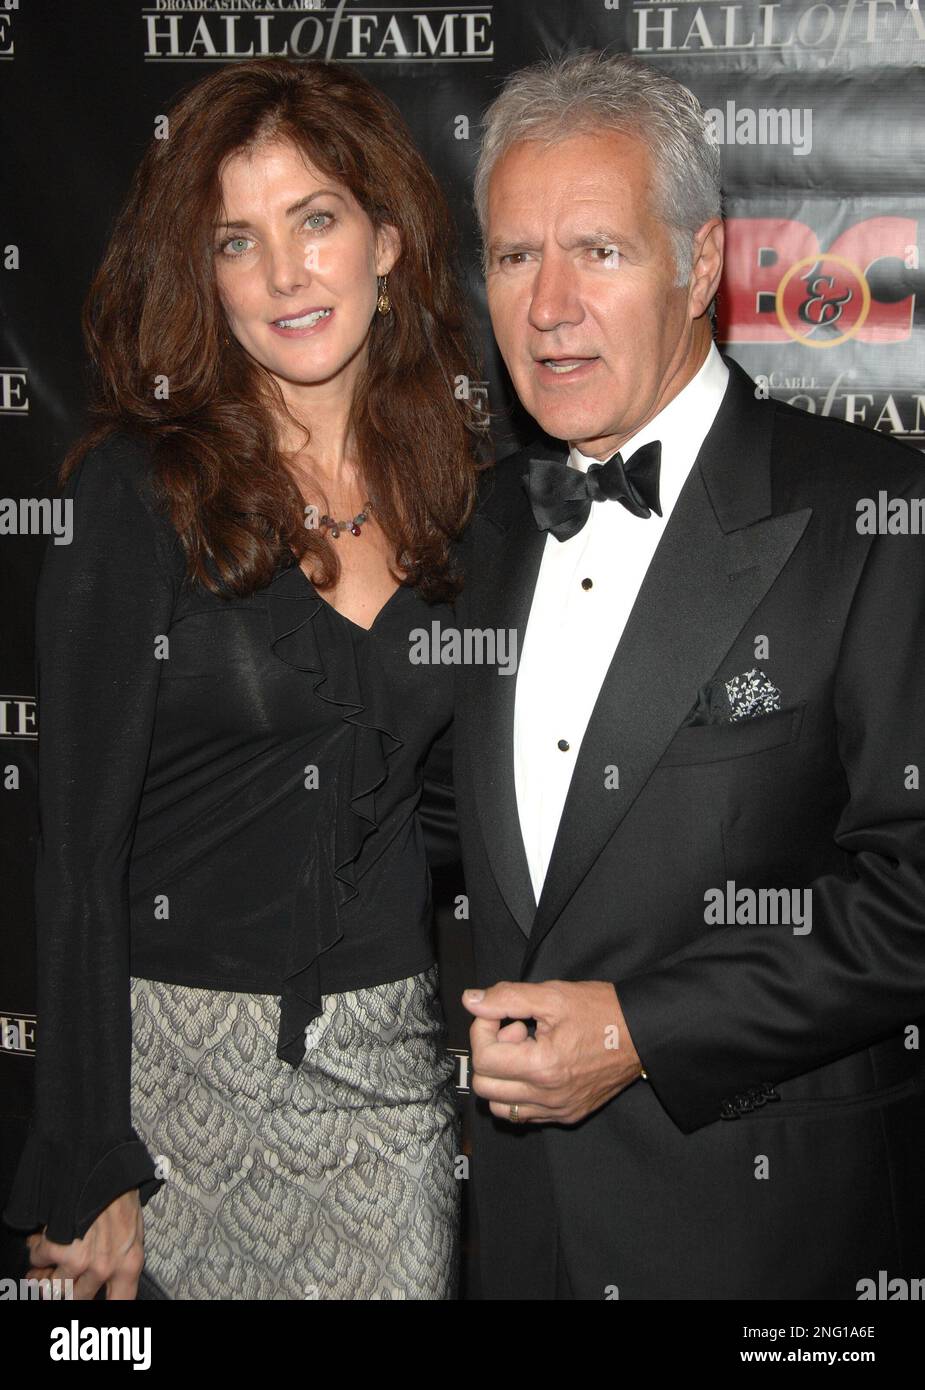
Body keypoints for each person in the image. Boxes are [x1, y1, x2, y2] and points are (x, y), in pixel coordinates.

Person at [2, 56, 483, 1300]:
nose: (282, 274)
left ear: (385, 241)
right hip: (171, 1098)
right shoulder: (135, 494)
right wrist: (85, 1156)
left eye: (314, 220)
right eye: (236, 240)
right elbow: (75, 854)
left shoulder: (466, 503)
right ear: (203, 276)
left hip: (388, 1091)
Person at [454, 51, 925, 1299]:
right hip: (517, 1243)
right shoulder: (478, 528)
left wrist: (637, 1030)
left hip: (763, 1247)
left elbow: (915, 893)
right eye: (512, 256)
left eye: (596, 252)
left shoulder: (872, 518)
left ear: (701, 265)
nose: (547, 304)